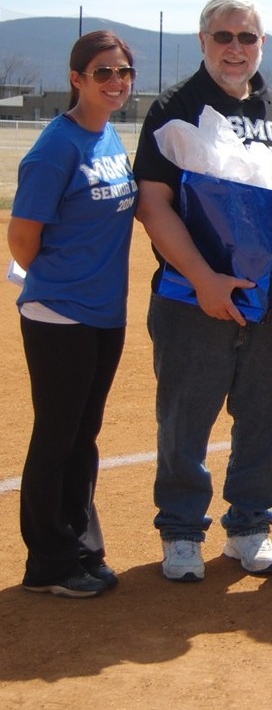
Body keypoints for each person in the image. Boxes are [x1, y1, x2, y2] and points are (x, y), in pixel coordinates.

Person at [135, 0, 272, 581]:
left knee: (265, 416)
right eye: (224, 37)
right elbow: (153, 205)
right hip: (192, 298)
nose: (236, 48)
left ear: (262, 44)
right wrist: (203, 278)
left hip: (265, 304)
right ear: (203, 40)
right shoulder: (173, 107)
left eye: (247, 37)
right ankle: (181, 531)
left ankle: (250, 526)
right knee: (185, 417)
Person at [10, 32, 138, 598]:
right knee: (57, 434)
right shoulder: (55, 147)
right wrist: (62, 278)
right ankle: (48, 561)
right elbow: (22, 240)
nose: (116, 82)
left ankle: (80, 546)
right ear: (76, 79)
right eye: (103, 72)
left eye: (124, 72)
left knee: (84, 433)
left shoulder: (108, 134)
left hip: (104, 312)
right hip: (59, 312)